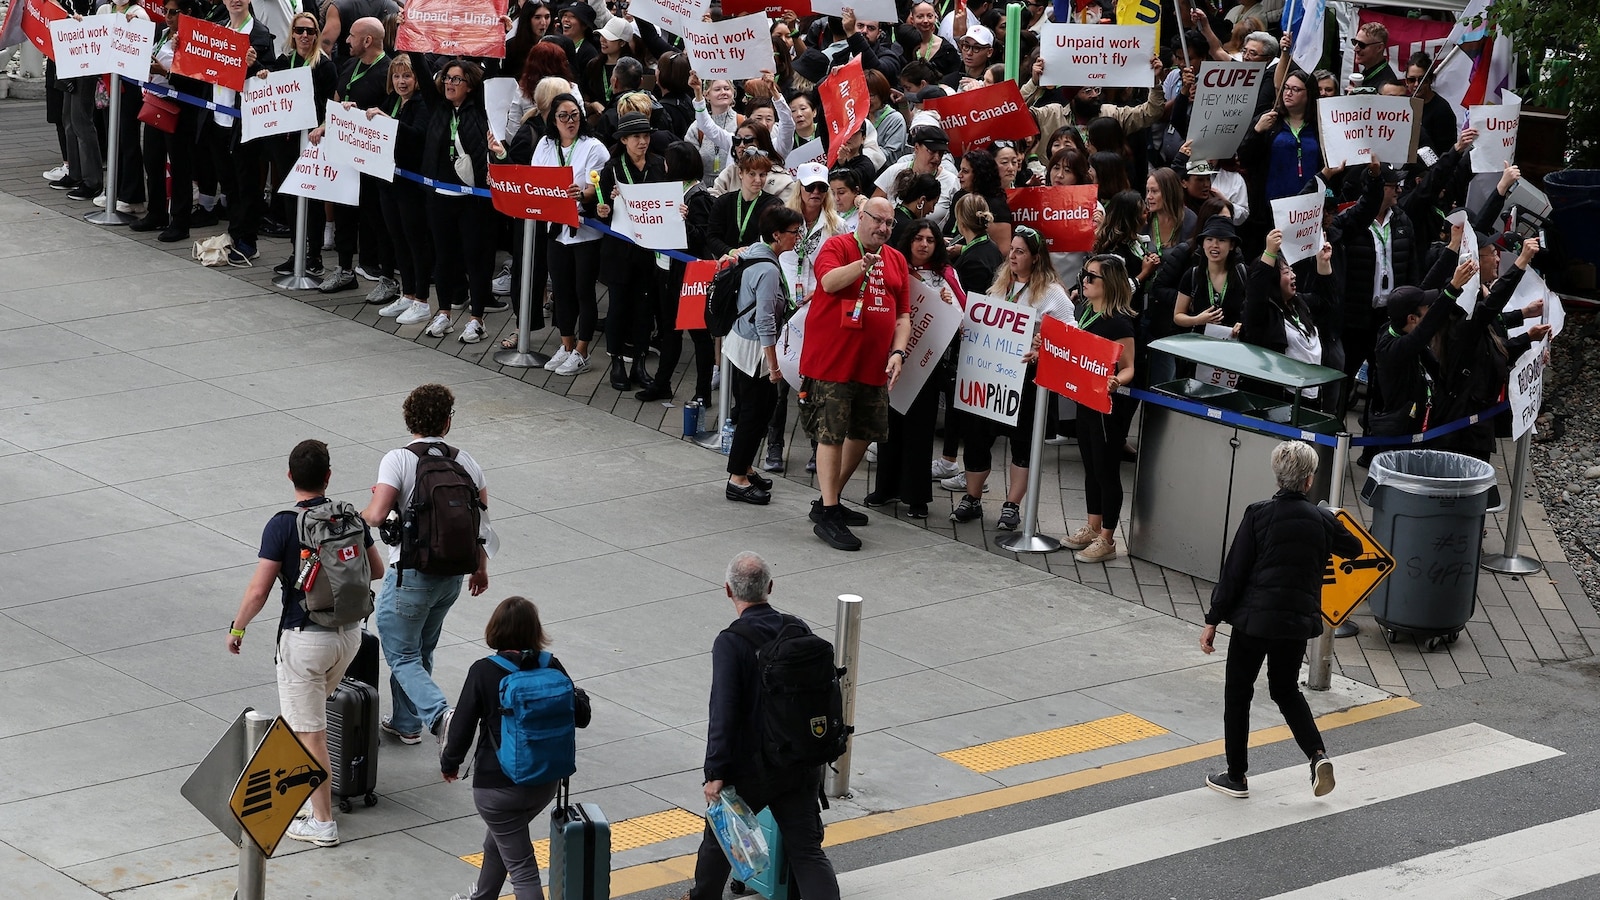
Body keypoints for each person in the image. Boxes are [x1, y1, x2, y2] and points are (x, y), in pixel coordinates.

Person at [226, 439, 385, 848]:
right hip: (349, 637)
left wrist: (238, 627)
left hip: (304, 641)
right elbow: (378, 569)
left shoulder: (282, 525)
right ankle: (306, 798)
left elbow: (259, 591)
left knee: (309, 731)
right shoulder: (349, 518)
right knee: (304, 724)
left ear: (290, 476)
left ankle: (323, 822)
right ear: (328, 477)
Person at [1201, 440, 1362, 800]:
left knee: (1238, 693)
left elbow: (1234, 572)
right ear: (1308, 481)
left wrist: (1214, 618)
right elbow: (1353, 549)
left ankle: (1237, 776)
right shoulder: (1321, 520)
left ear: (1278, 476)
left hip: (1253, 621)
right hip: (1295, 623)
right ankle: (1317, 755)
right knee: (1285, 689)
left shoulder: (1257, 514)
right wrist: (1331, 517)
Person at [684, 552, 841, 900]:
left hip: (751, 769)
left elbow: (723, 711)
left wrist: (716, 773)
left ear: (727, 590)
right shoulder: (796, 627)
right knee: (807, 852)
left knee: (720, 841)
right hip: (799, 761)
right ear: (769, 586)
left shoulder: (731, 642)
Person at [361, 384, 490, 746]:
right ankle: (406, 723)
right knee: (421, 651)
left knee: (402, 656)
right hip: (451, 577)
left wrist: (364, 509)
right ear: (447, 422)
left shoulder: (398, 459)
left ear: (409, 420)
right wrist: (480, 569)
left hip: (411, 574)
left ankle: (439, 715)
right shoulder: (466, 462)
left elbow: (375, 516)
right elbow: (482, 524)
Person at [440, 596, 591, 900]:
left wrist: (450, 763)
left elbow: (461, 728)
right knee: (497, 843)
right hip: (544, 782)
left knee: (522, 869)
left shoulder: (483, 671)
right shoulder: (551, 665)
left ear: (495, 628)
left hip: (497, 788)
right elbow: (581, 717)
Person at [802, 198, 913, 551]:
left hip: (873, 365)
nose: (883, 228)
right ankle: (830, 511)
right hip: (834, 362)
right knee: (831, 434)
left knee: (864, 433)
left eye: (890, 224)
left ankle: (827, 500)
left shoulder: (896, 259)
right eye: (878, 220)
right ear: (861, 218)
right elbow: (829, 283)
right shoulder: (837, 246)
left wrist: (897, 352)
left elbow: (903, 317)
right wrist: (861, 267)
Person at [951, 227, 1074, 530]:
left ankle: (1012, 505)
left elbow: (1070, 333)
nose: (1013, 256)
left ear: (1036, 257)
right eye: (1012, 250)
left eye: (1020, 251)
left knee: (1022, 444)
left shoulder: (1052, 294)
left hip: (1026, 381)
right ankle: (972, 498)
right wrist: (970, 329)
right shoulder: (1000, 286)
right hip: (990, 379)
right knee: (978, 437)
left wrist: (1043, 344)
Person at [869, 218, 965, 519]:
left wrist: (950, 304)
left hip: (928, 365)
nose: (924, 244)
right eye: (918, 238)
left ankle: (917, 496)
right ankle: (885, 488)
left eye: (930, 240)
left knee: (920, 431)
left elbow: (963, 322)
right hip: (893, 360)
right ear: (908, 240)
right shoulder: (893, 268)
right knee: (889, 427)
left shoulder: (947, 275)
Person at [724, 207, 803, 505]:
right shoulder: (769, 270)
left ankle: (744, 467)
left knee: (749, 410)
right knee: (754, 415)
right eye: (794, 232)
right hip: (756, 351)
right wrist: (773, 367)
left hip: (739, 344)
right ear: (777, 235)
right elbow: (766, 322)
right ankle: (737, 479)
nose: (797, 238)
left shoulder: (753, 253)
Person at [536, 92, 609, 376]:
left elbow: (596, 185)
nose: (570, 121)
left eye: (574, 115)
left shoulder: (594, 147)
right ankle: (565, 345)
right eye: (563, 116)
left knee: (583, 290)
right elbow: (536, 178)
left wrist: (584, 193)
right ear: (553, 120)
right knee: (561, 290)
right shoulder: (545, 144)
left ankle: (582, 350)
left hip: (585, 231)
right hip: (555, 227)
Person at [267, 12, 339, 280]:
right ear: (292, 33)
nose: (305, 36)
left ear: (317, 34)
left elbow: (329, 105)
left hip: (312, 139)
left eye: (310, 31)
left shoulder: (324, 65)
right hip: (286, 140)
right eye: (300, 31)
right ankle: (297, 252)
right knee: (289, 195)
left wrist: (321, 126)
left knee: (313, 197)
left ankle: (314, 255)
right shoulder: (284, 61)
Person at [370, 54, 437, 325]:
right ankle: (407, 293)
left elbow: (418, 135)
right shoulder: (393, 100)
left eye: (407, 76)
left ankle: (422, 299)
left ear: (417, 79)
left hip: (411, 185)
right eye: (396, 76)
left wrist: (387, 121)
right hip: (389, 182)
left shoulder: (422, 104)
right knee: (397, 238)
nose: (401, 81)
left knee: (415, 241)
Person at [1349, 21, 1398, 90]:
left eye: (1361, 45)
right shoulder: (1369, 72)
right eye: (1355, 42)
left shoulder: (1386, 85)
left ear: (1379, 48)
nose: (1355, 49)